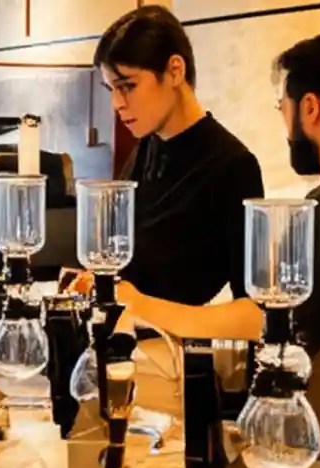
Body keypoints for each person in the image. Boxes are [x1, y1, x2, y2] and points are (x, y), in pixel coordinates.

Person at [121, 30, 320, 462]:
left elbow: (264, 317)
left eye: (282, 107)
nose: (284, 122)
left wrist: (141, 306)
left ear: (310, 108)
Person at [93, 6, 265, 309]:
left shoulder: (234, 166)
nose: (117, 104)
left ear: (175, 71)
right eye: (111, 89)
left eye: (127, 86)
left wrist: (141, 305)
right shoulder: (147, 145)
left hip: (173, 350)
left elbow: (252, 313)